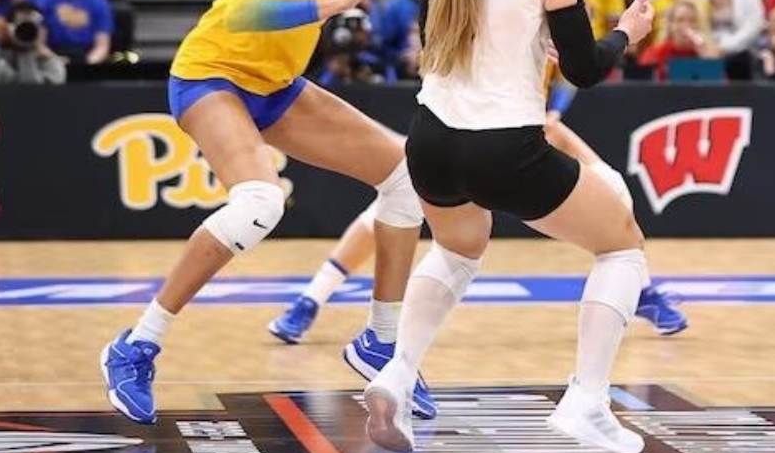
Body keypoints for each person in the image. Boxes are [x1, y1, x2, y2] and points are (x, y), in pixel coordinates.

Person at [101, 0, 443, 425]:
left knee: (407, 179)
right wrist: (332, 4)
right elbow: (242, 13)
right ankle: (136, 345)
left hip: (277, 86)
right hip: (212, 75)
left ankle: (380, 342)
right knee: (259, 203)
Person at [361, 0, 658, 453]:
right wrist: (626, 31)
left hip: (431, 143)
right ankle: (586, 400)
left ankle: (398, 371)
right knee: (623, 248)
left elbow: (453, 21)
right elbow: (584, 69)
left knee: (458, 251)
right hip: (504, 149)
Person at [268, 90, 691, 344]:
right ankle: (310, 301)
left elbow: (565, 85)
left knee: (611, 183)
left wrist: (553, 109)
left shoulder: (538, 34)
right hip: (457, 136)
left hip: (512, 145)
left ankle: (643, 291)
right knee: (390, 204)